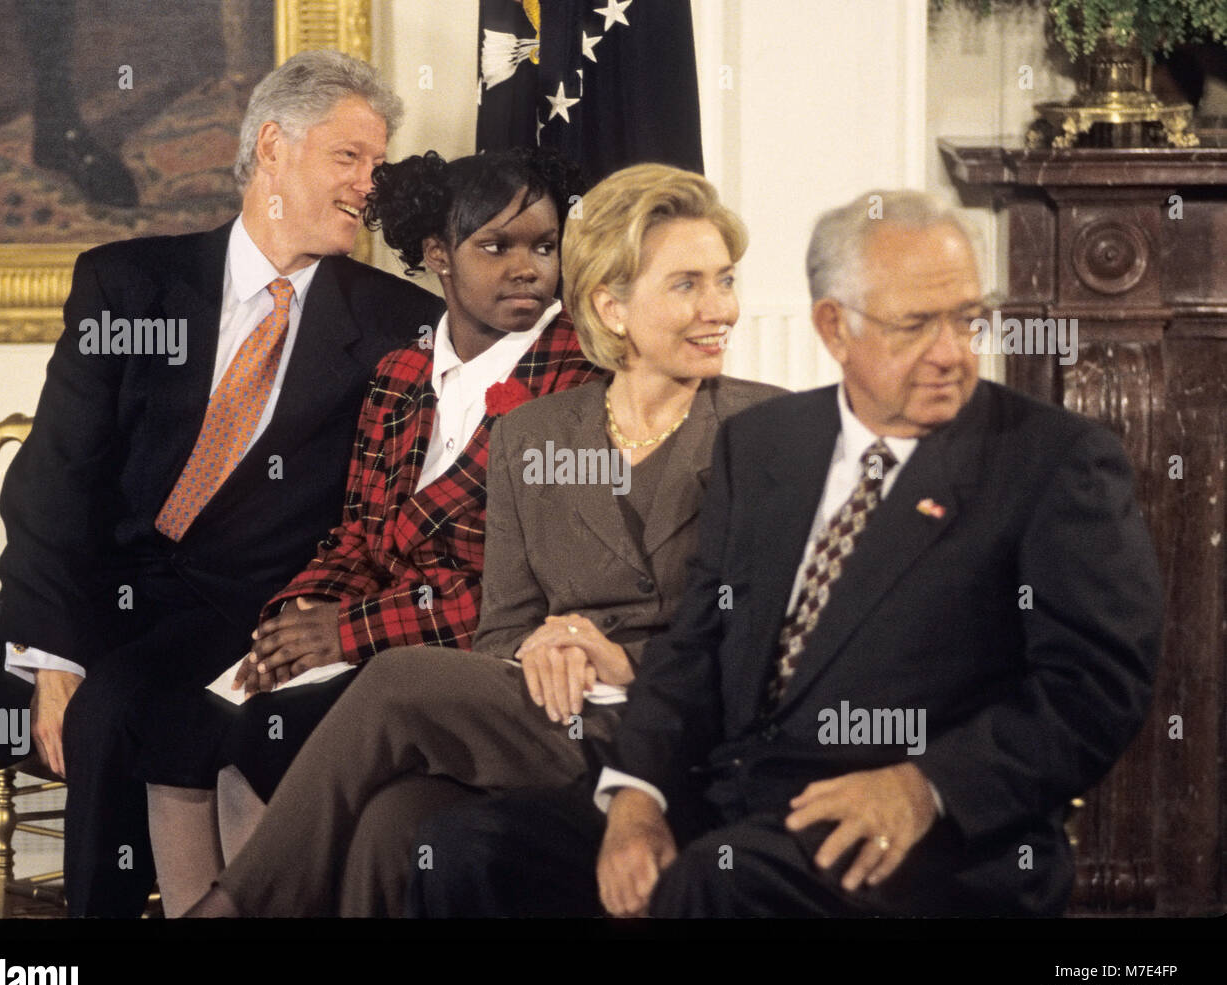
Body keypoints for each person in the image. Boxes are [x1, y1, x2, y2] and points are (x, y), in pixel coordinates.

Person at [408, 189, 1163, 919]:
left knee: (712, 883)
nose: (949, 353)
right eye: (915, 325)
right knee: (468, 846)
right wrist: (638, 795)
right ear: (835, 328)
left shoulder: (1052, 461)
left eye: (966, 320)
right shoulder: (770, 444)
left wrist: (926, 784)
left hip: (921, 827)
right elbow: (697, 648)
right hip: (734, 792)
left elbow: (1096, 684)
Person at [184, 162, 786, 917]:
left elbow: (775, 642)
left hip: (673, 727)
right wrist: (546, 646)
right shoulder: (534, 431)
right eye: (688, 285)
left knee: (397, 681)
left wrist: (620, 658)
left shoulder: (769, 434)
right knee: (392, 822)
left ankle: (229, 909)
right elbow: (502, 626)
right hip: (549, 713)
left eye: (724, 280)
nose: (720, 308)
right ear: (612, 305)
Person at [0, 50, 444, 918]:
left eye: (380, 164)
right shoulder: (127, 286)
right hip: (75, 603)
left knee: (114, 727)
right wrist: (52, 654)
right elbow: (55, 482)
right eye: (350, 158)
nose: (371, 184)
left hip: (228, 629)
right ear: (273, 148)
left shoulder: (398, 325)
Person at [145, 146, 601, 914]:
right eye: (496, 245)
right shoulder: (399, 376)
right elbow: (357, 534)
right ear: (437, 255)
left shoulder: (576, 372)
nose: (527, 268)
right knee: (187, 719)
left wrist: (346, 630)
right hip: (377, 629)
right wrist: (296, 617)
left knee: (272, 732)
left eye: (544, 246)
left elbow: (514, 586)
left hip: (466, 646)